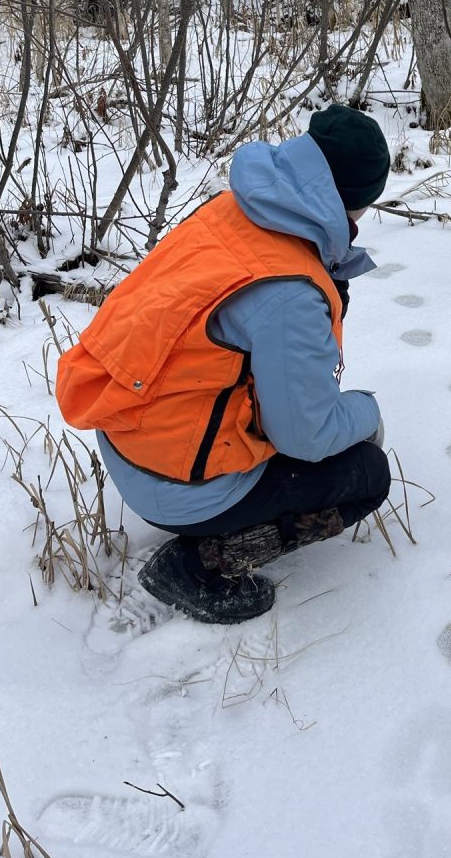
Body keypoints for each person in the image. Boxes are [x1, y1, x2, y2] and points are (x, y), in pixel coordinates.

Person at [56, 105, 392, 624]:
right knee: (367, 472)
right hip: (180, 490)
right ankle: (198, 567)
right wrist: (367, 412)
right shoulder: (291, 292)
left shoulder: (234, 209)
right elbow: (308, 434)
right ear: (360, 201)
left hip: (127, 439)